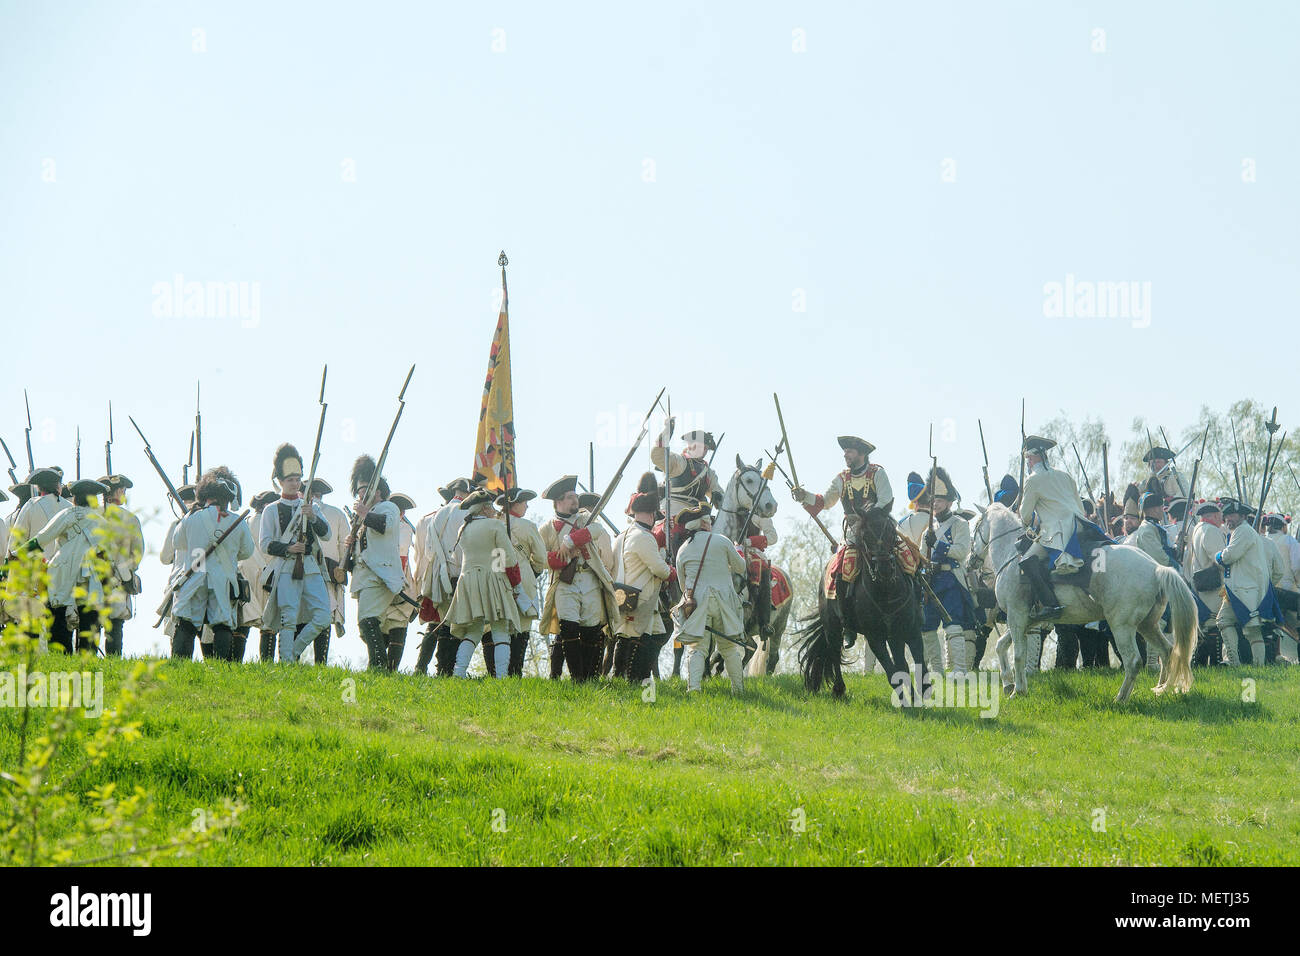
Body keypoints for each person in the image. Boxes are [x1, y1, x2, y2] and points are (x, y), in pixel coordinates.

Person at [538, 475, 617, 682]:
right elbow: (539, 558)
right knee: (569, 628)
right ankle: (577, 679)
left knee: (591, 629)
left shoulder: (583, 519)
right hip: (565, 582)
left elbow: (597, 529)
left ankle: (590, 677)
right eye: (570, 497)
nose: (575, 501)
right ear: (558, 502)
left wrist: (570, 540)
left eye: (575, 497)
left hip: (589, 578)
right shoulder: (546, 528)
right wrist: (563, 557)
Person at [259, 443, 333, 664]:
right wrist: (288, 549)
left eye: (297, 479)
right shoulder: (271, 510)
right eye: (290, 479)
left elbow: (327, 534)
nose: (294, 483)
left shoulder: (310, 507)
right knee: (288, 618)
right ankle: (286, 663)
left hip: (310, 566)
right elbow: (265, 545)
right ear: (280, 482)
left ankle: (292, 653)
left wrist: (312, 517)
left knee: (323, 615)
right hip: (286, 567)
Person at [171, 468, 254, 661]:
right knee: (222, 624)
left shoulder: (190, 518)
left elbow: (178, 543)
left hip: (194, 576)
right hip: (223, 579)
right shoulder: (238, 522)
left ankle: (179, 666)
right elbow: (247, 552)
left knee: (187, 622)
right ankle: (221, 669)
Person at [444, 489, 524, 678]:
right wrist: (515, 585)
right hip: (493, 579)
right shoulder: (495, 526)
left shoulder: (463, 529)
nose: (493, 510)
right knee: (500, 629)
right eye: (490, 506)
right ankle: (502, 676)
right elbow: (507, 558)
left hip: (468, 581)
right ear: (485, 508)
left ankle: (459, 672)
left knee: (473, 630)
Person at [26, 479, 110, 653]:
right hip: (90, 575)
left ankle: (61, 659)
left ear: (75, 498)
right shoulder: (102, 522)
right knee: (90, 622)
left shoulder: (68, 514)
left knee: (58, 620)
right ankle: (88, 663)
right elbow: (106, 556)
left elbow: (41, 539)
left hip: (62, 572)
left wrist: (15, 554)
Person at [673, 503, 749, 693]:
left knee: (697, 649)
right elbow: (741, 568)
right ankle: (738, 690)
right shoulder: (722, 541)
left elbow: (684, 587)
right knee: (729, 649)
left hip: (697, 605)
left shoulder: (682, 550)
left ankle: (694, 690)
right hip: (724, 603)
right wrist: (738, 550)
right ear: (705, 523)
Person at [342, 455, 403, 670]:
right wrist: (350, 545)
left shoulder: (389, 507)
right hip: (364, 576)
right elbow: (360, 553)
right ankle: (381, 664)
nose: (360, 493)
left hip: (380, 575)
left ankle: (377, 666)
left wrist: (364, 514)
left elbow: (384, 525)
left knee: (368, 620)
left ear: (377, 491)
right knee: (367, 626)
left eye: (364, 489)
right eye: (359, 490)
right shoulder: (362, 517)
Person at [1016, 436, 1086, 622]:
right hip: (1081, 526)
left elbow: (1024, 515)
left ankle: (1050, 604)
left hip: (1058, 531)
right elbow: (1081, 508)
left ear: (1034, 457)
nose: (1028, 463)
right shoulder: (1065, 476)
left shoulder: (1033, 480)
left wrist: (1031, 522)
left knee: (1027, 560)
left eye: (1028, 459)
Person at [611, 484, 675, 681]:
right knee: (633, 638)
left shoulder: (624, 535)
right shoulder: (644, 537)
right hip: (642, 597)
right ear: (651, 514)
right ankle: (629, 679)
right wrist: (672, 570)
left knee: (653, 635)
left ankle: (639, 678)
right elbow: (660, 570)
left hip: (626, 593)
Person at [412, 477, 475, 675]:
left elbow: (427, 551)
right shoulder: (468, 512)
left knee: (437, 622)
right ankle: (445, 670)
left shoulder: (435, 515)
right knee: (454, 623)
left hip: (437, 575)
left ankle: (425, 668)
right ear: (468, 493)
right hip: (459, 573)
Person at [923, 468, 978, 674]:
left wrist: (937, 543)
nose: (935, 503)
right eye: (933, 500)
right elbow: (922, 556)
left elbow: (961, 552)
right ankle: (937, 672)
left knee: (954, 625)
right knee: (927, 628)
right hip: (931, 581)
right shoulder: (930, 527)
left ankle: (960, 671)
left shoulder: (959, 524)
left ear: (949, 502)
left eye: (939, 500)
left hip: (951, 579)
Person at [1214, 499, 1277, 666]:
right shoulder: (1242, 531)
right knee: (1230, 623)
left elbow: (1229, 556)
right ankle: (1239, 663)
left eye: (1232, 515)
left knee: (1249, 629)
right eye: (1226, 515)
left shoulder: (1243, 531)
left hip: (1245, 590)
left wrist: (1218, 556)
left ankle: (1244, 664)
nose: (1228, 519)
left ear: (1242, 516)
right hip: (1239, 589)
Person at [495, 488, 547, 676]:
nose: (527, 505)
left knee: (500, 628)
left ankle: (497, 673)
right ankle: (515, 672)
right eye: (524, 502)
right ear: (515, 503)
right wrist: (534, 571)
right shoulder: (527, 525)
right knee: (522, 626)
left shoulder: (493, 524)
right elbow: (541, 557)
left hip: (497, 578)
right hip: (523, 577)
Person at [97, 474, 145, 656]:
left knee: (90, 623)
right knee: (115, 624)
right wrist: (124, 571)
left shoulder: (92, 515)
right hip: (119, 579)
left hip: (91, 577)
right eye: (123, 490)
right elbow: (137, 553)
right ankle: (113, 661)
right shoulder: (130, 518)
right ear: (118, 491)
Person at [310, 478, 351, 665]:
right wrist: (341, 571)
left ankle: (292, 661)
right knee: (325, 614)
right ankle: (320, 662)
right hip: (329, 570)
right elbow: (345, 549)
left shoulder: (298, 511)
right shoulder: (337, 514)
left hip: (306, 569)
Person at [380, 491, 421, 671]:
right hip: (397, 580)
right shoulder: (403, 528)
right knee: (395, 624)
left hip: (388, 578)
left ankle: (384, 669)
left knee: (393, 624)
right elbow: (402, 556)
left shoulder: (400, 527)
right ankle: (385, 669)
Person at [651, 419, 723, 516]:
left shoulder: (709, 473)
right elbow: (657, 455)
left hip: (699, 514)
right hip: (672, 512)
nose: (705, 450)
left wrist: (718, 497)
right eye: (702, 446)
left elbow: (720, 496)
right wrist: (667, 432)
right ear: (691, 445)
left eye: (707, 448)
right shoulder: (679, 461)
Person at [238, 491, 279, 662]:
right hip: (267, 577)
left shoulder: (245, 522)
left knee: (242, 624)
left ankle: (234, 663)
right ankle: (267, 664)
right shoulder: (272, 522)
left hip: (246, 577)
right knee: (268, 625)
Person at [1189, 500, 1227, 666]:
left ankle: (1200, 663)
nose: (1222, 520)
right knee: (1214, 624)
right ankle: (1214, 662)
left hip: (1201, 583)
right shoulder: (1211, 531)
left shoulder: (1198, 529)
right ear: (1216, 515)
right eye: (1220, 516)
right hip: (1212, 584)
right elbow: (1219, 559)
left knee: (1206, 626)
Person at [1261, 513, 1300, 663]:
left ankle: (1276, 655)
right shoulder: (1290, 541)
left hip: (1269, 590)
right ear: (1283, 527)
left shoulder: (1265, 541)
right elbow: (1297, 567)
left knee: (1275, 623)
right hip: (1288, 590)